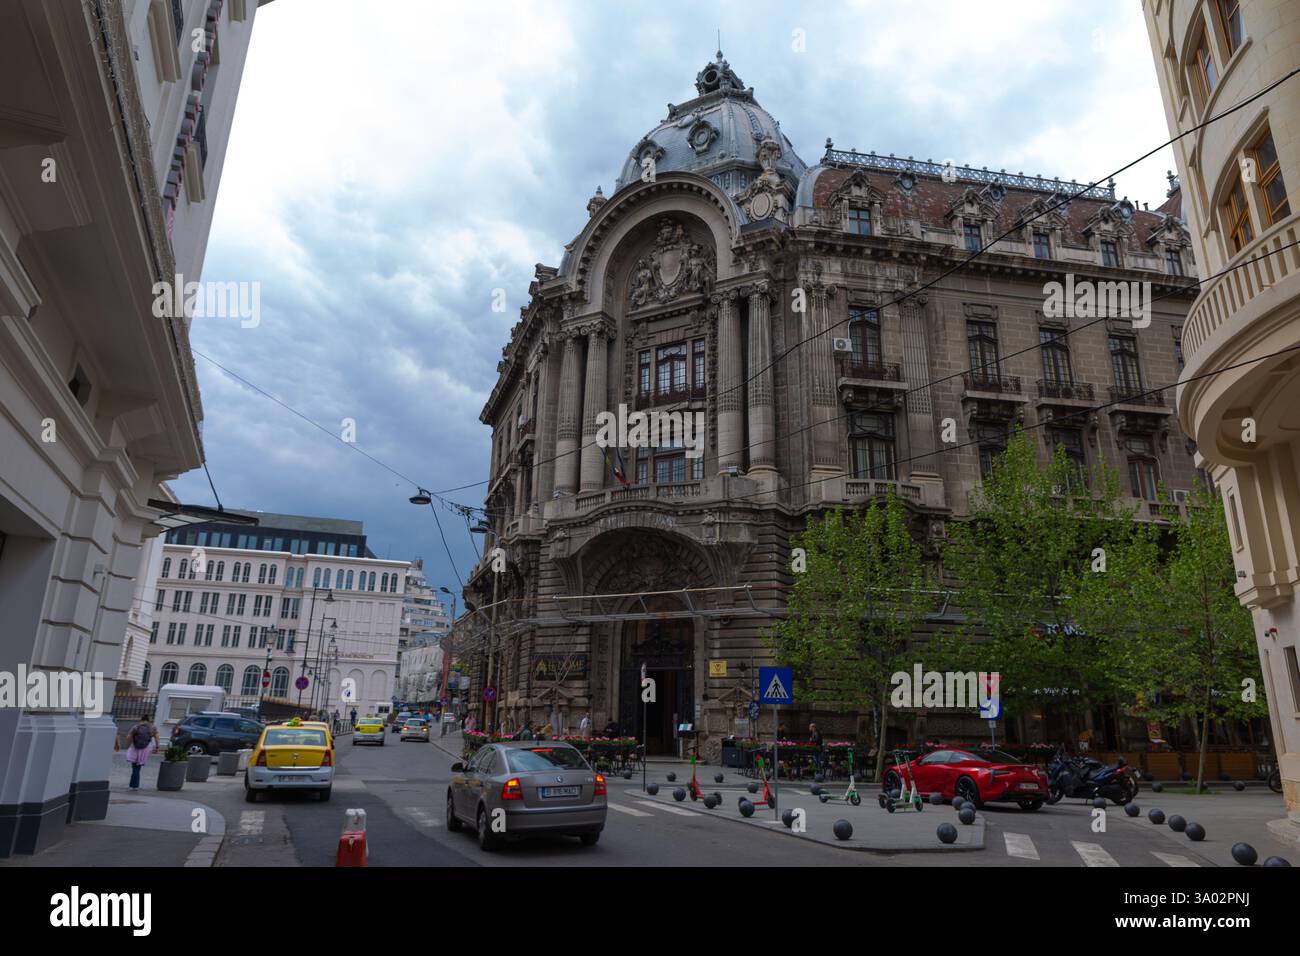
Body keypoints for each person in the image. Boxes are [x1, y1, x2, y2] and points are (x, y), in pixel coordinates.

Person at [125, 714, 160, 790]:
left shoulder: (136, 726)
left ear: (141, 719)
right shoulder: (152, 727)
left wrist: (129, 744)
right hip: (145, 748)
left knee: (134, 766)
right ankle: (134, 785)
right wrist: (157, 747)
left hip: (135, 747)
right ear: (149, 720)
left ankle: (132, 785)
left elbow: (128, 736)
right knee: (138, 767)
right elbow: (157, 738)